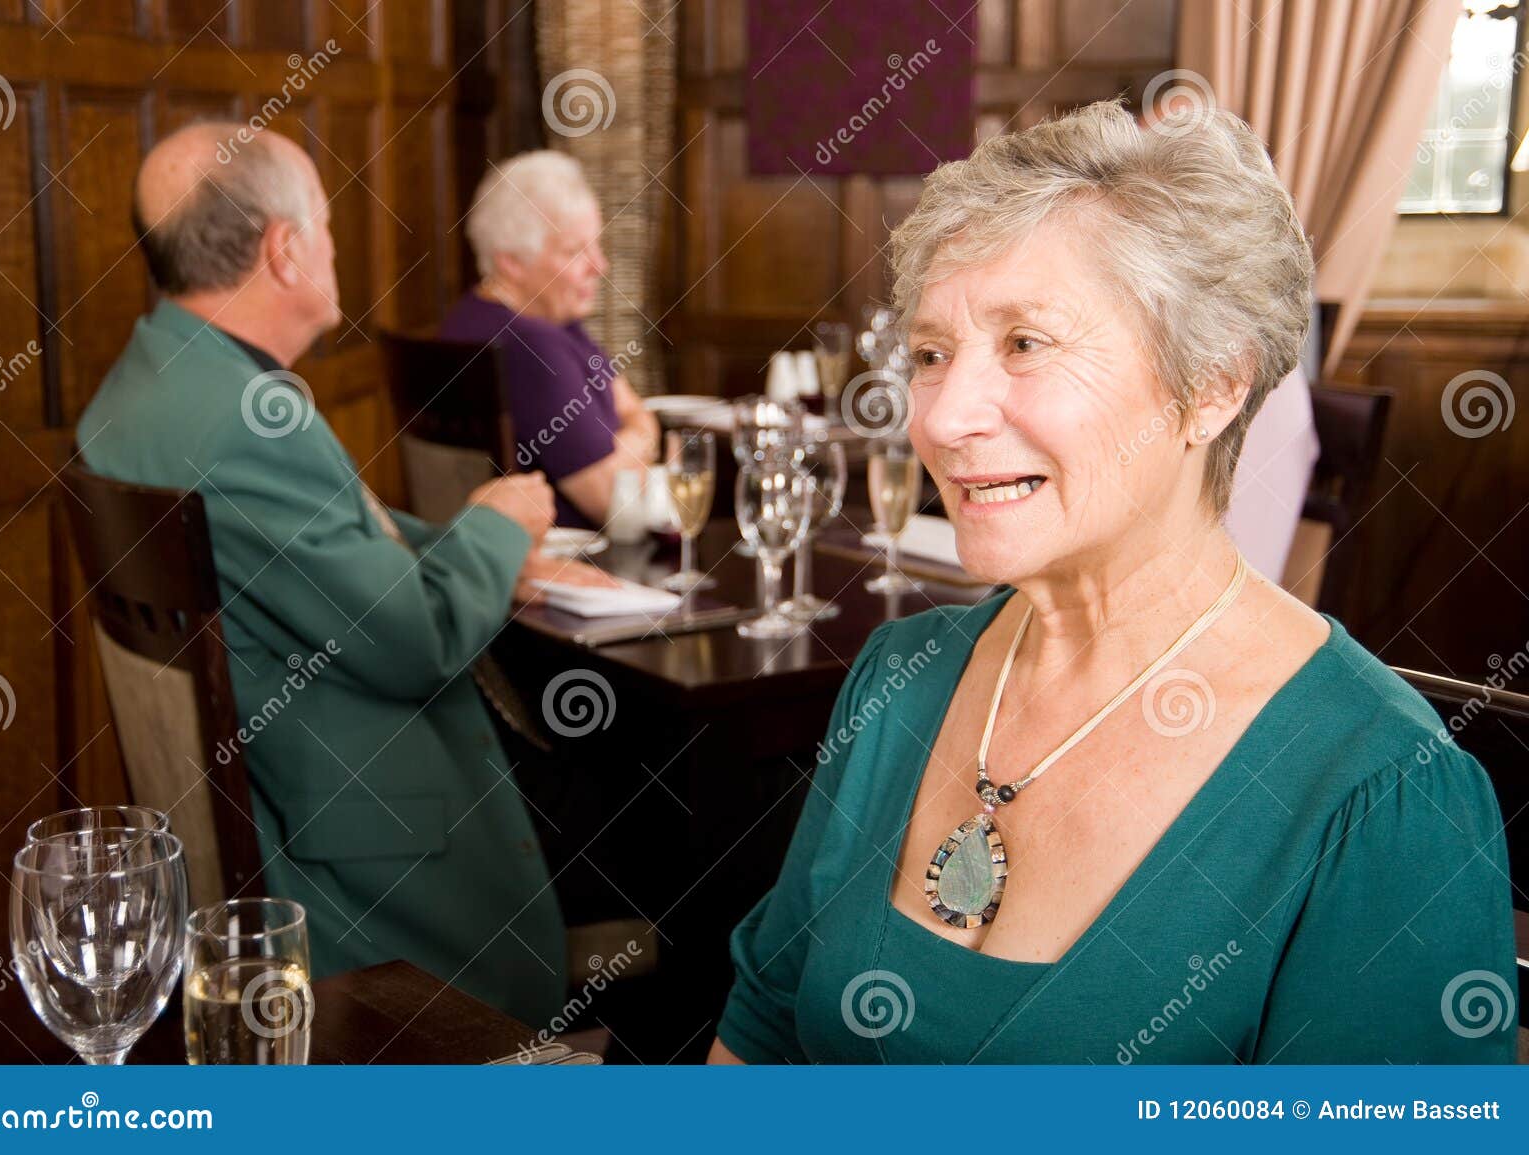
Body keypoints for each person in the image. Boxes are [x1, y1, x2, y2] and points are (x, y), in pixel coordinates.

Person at [711, 101, 1516, 1064]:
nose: (943, 417)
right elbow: (762, 1035)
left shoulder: (1383, 796)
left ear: (1211, 384)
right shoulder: (898, 676)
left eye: (1026, 343)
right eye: (930, 355)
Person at [79, 123, 597, 1026]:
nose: (330, 245)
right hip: (369, 889)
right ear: (285, 250)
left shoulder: (143, 389)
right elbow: (417, 641)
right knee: (658, 833)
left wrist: (470, 550)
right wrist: (497, 525)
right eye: (323, 223)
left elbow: (323, 533)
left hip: (281, 818)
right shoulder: (245, 420)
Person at [441, 151, 659, 529]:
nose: (599, 266)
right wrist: (644, 434)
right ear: (510, 262)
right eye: (574, 251)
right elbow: (612, 500)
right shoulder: (531, 348)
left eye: (597, 244)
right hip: (574, 562)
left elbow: (629, 405)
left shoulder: (478, 316)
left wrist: (631, 434)